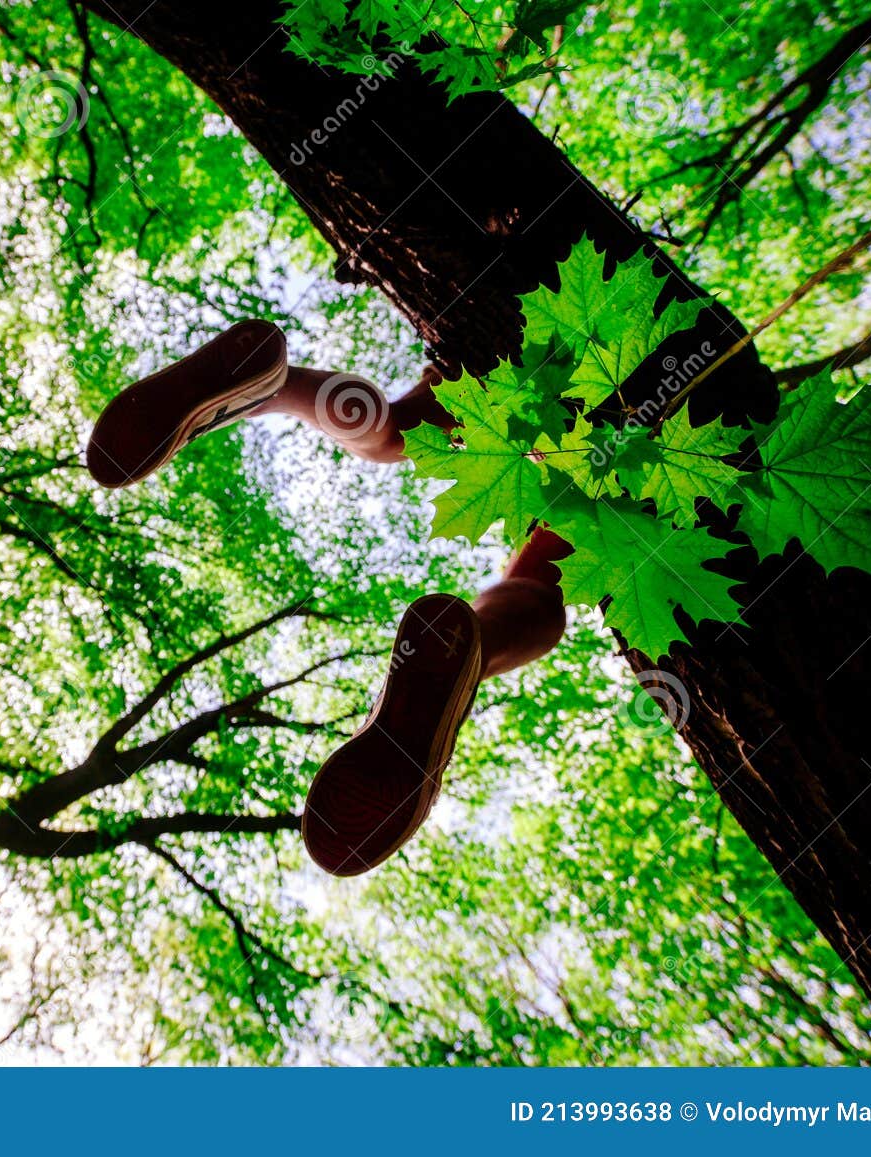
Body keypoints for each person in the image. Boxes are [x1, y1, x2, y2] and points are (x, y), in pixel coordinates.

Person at [85, 320, 571, 876]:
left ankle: (470, 650)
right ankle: (275, 388)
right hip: (626, 450)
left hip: (500, 384)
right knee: (398, 448)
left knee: (391, 433)